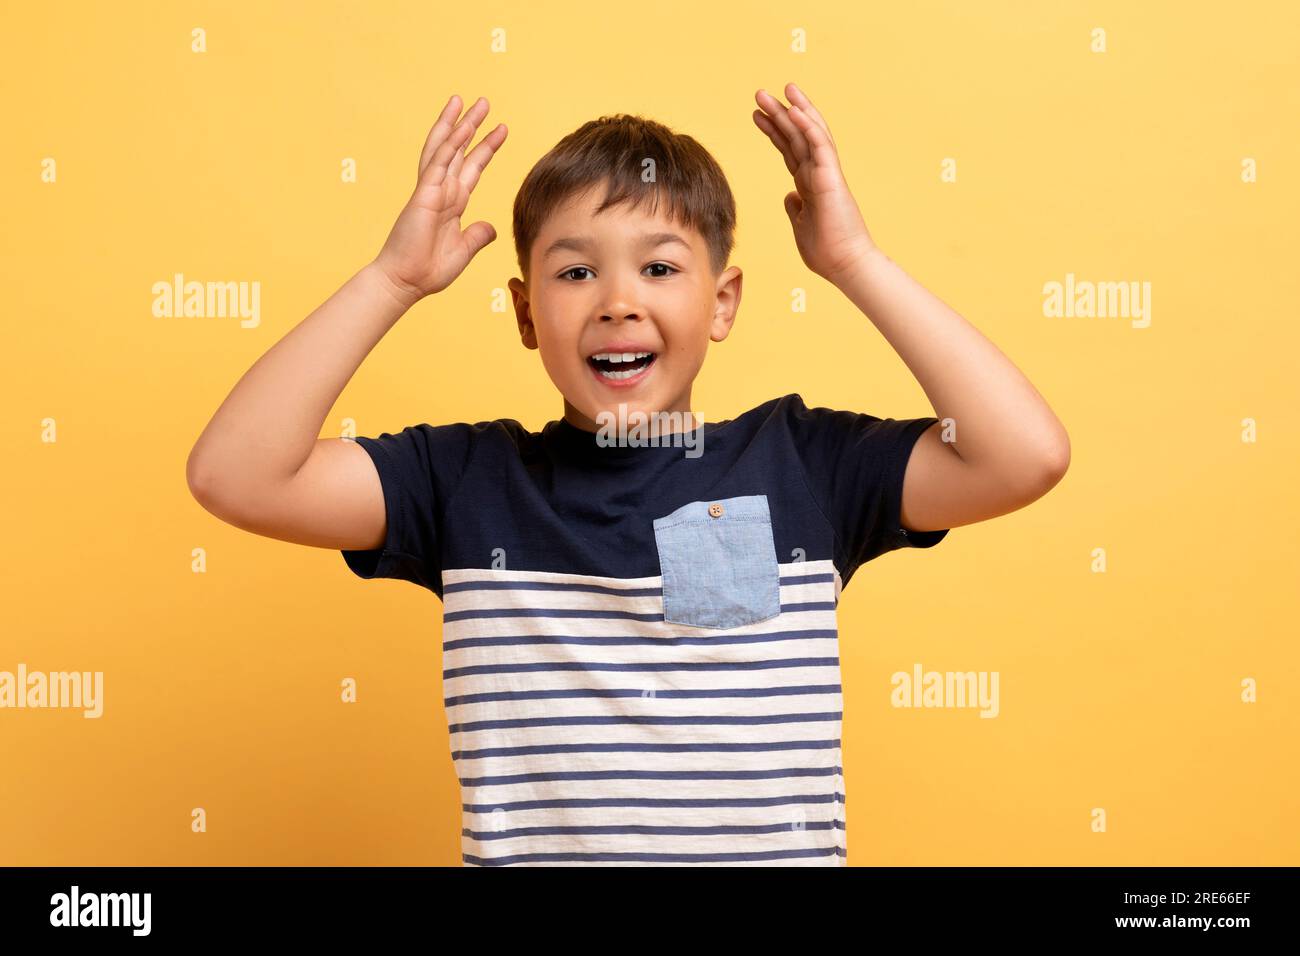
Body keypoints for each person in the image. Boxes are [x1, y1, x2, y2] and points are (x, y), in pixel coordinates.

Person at [185, 84, 1070, 866]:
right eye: (576, 271)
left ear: (720, 303)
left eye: (658, 267)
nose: (617, 299)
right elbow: (237, 476)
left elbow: (1023, 454)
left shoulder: (807, 466)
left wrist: (854, 263)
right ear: (527, 313)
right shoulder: (462, 481)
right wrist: (391, 279)